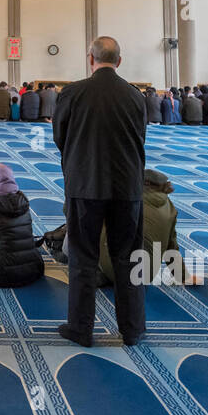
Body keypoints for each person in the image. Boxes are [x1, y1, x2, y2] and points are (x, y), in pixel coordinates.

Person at [51, 36, 147, 347]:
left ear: (89, 59)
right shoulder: (135, 96)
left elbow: (59, 136)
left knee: (83, 257)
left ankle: (81, 328)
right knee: (129, 258)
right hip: (127, 187)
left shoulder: (73, 93)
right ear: (119, 61)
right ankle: (132, 330)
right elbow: (140, 138)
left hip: (85, 184)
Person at [100, 168, 190, 285]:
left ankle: (92, 272)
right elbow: (171, 247)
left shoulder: (126, 198)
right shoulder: (170, 208)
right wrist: (182, 276)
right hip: (145, 276)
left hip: (116, 268)